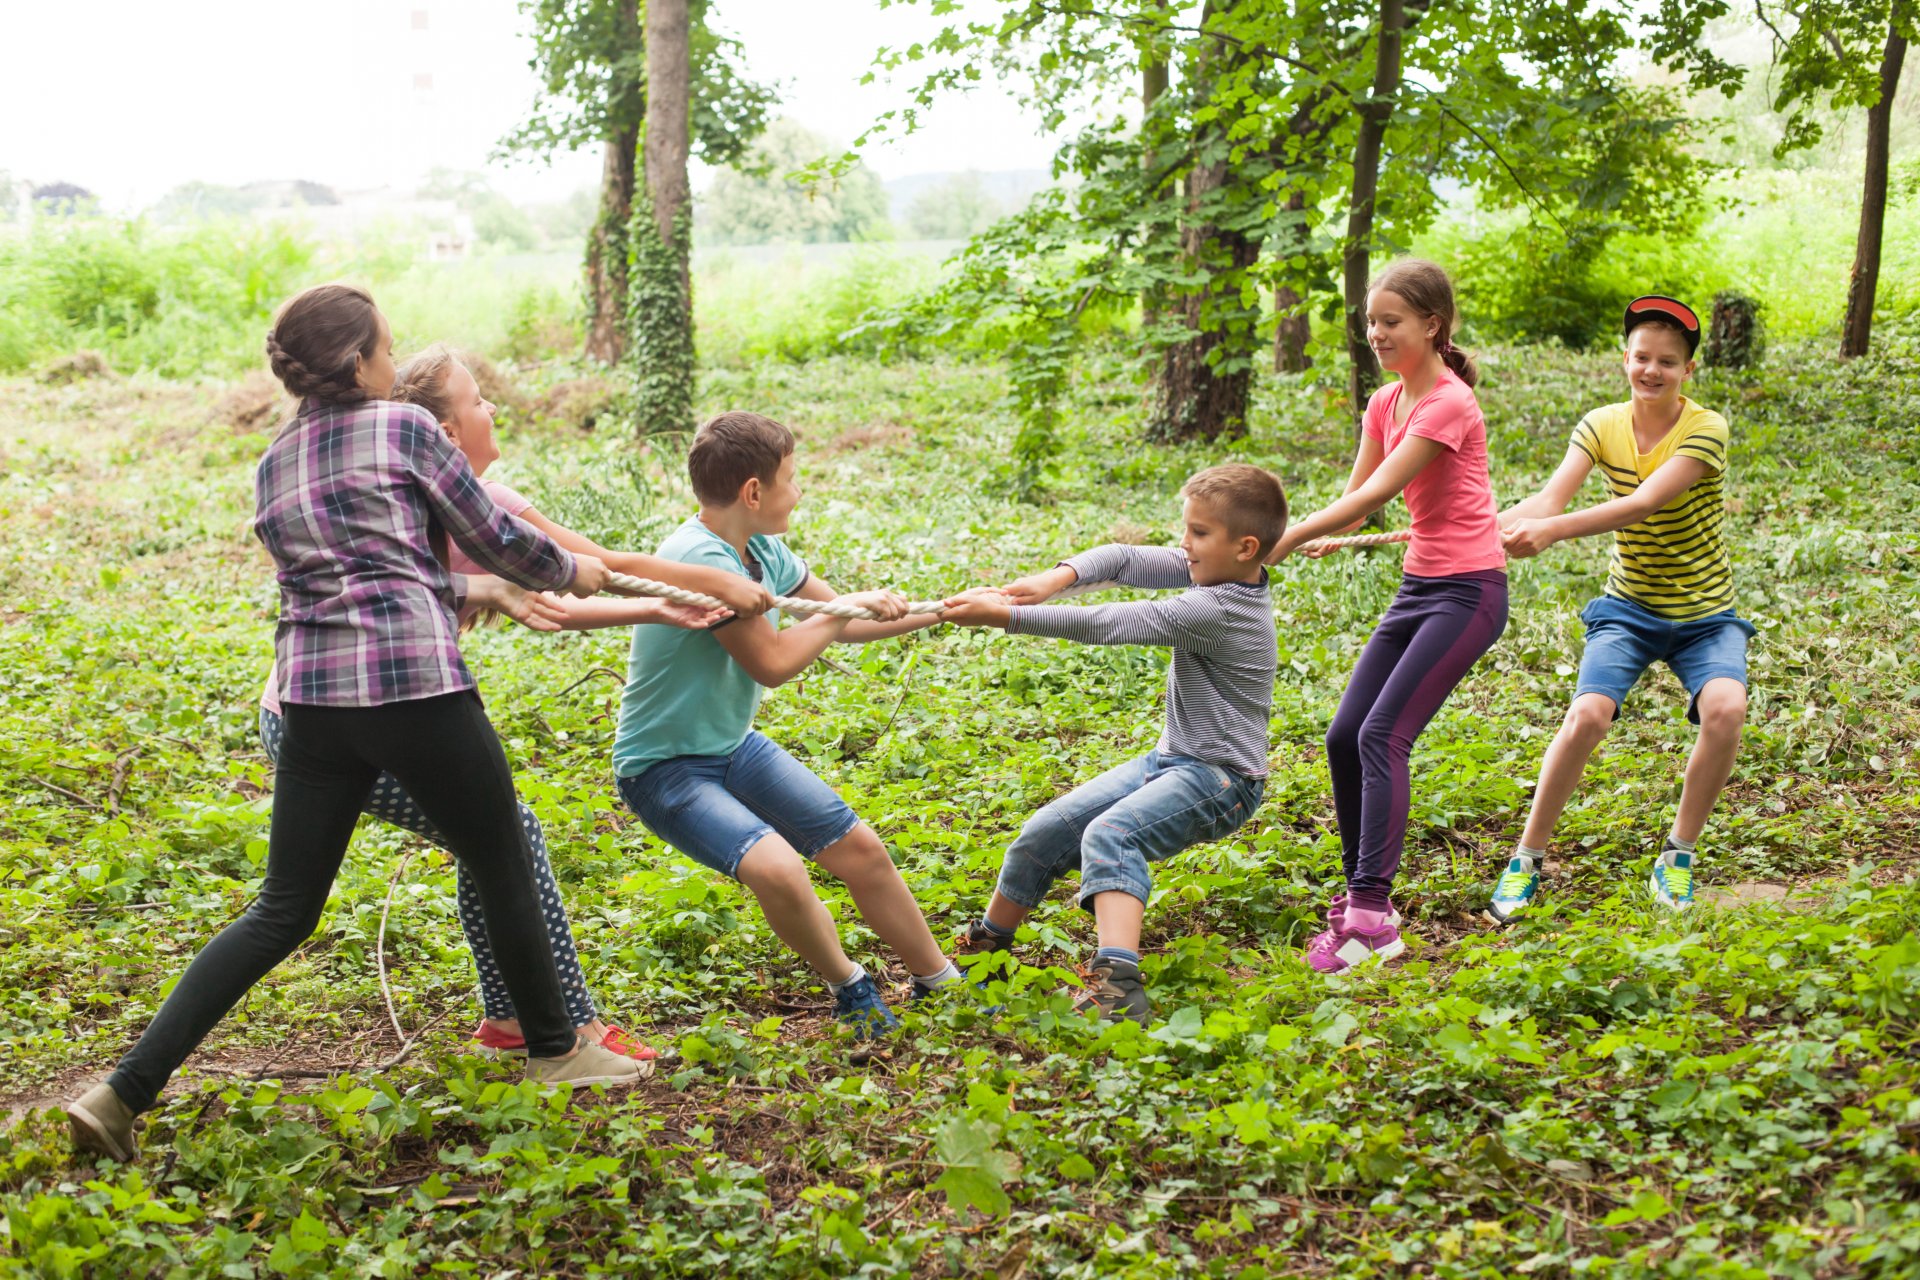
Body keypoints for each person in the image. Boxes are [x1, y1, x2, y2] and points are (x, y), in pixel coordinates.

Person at [66, 286, 640, 1162]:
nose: (392, 362)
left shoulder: (274, 461)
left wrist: (488, 585)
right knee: (501, 853)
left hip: (310, 704)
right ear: (358, 361)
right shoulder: (405, 428)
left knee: (281, 910)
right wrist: (569, 568)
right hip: (412, 687)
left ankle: (121, 1092)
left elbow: (361, 575)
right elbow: (492, 534)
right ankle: (558, 1051)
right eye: (387, 347)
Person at [253, 344, 772, 1063]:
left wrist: (660, 607)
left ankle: (508, 1019)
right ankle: (573, 1028)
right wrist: (711, 584)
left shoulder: (459, 494)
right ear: (444, 430)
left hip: (321, 708)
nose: (491, 407)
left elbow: (553, 598)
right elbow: (597, 566)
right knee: (507, 835)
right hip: (343, 716)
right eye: (477, 401)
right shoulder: (454, 497)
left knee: (489, 839)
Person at [612, 411, 960, 1038]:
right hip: (663, 769)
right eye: (792, 479)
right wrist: (842, 610)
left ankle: (939, 981)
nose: (798, 493)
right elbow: (772, 663)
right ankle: (850, 987)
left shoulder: (764, 549)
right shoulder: (699, 561)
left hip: (731, 747)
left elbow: (844, 624)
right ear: (754, 491)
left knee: (862, 851)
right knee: (777, 868)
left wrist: (948, 612)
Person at [940, 464, 1283, 1023]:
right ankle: (987, 950)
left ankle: (1118, 987)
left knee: (1112, 834)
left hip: (1223, 779)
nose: (1184, 543)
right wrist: (1053, 579)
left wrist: (1005, 616)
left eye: (1199, 532)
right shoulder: (1215, 570)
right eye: (1187, 528)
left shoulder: (1217, 608)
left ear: (1245, 547)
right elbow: (1122, 559)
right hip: (1171, 761)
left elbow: (1108, 622)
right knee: (1043, 833)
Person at [1265, 259, 1508, 977]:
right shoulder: (1386, 402)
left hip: (1469, 591)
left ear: (1433, 326)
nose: (1376, 332)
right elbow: (1360, 500)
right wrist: (1318, 530)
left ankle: (1370, 920)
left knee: (1382, 736)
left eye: (1391, 321)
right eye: (1371, 321)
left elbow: (1381, 489)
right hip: (1418, 586)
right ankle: (1363, 902)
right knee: (1345, 735)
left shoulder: (1449, 404)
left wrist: (1290, 537)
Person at [1488, 294, 1747, 921]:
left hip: (1705, 615)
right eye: (1641, 357)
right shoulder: (1600, 425)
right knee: (1587, 717)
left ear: (1688, 369)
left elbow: (1643, 503)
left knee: (1726, 710)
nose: (1652, 370)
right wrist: (1484, 530)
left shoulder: (1706, 429)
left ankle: (1677, 855)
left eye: (1667, 361)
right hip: (1628, 608)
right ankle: (1526, 859)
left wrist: (1552, 533)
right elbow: (1550, 499)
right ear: (1624, 359)